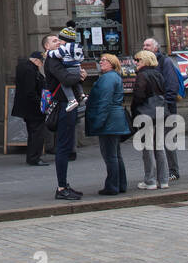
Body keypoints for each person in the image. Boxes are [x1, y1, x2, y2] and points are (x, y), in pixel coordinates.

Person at [43, 34, 83, 201]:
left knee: (65, 146)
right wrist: (80, 76)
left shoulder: (61, 58)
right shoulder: (52, 61)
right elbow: (65, 79)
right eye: (54, 41)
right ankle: (61, 187)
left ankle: (64, 185)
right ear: (46, 47)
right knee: (63, 146)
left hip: (66, 104)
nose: (58, 42)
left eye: (58, 40)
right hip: (63, 105)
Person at [84, 54, 129, 195]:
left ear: (113, 63)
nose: (101, 62)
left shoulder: (108, 78)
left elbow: (104, 102)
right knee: (116, 155)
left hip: (109, 120)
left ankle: (112, 186)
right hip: (114, 119)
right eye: (101, 60)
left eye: (105, 60)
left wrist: (98, 122)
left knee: (110, 156)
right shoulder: (113, 76)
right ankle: (120, 184)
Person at [142, 37, 182, 181]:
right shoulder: (146, 65)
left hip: (166, 110)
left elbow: (172, 86)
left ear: (156, 48)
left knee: (168, 140)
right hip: (152, 110)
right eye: (144, 45)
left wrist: (165, 106)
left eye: (148, 45)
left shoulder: (165, 62)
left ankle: (173, 171)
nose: (145, 47)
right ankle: (161, 172)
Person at [131, 49, 168, 190]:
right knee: (159, 146)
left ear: (145, 61)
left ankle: (150, 180)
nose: (136, 63)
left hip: (146, 113)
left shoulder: (142, 75)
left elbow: (139, 96)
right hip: (160, 112)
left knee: (148, 149)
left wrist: (134, 110)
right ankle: (163, 180)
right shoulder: (158, 74)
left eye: (138, 60)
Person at [12, 51, 50, 165]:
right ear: (37, 60)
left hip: (28, 108)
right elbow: (30, 92)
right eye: (41, 62)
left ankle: (33, 157)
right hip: (33, 109)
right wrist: (41, 103)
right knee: (37, 133)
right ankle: (34, 158)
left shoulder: (25, 68)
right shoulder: (30, 70)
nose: (42, 64)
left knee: (34, 132)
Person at [56, 25, 88, 112]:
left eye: (60, 40)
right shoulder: (77, 47)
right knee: (77, 82)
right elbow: (81, 58)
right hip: (77, 67)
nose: (58, 42)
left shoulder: (63, 48)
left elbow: (57, 54)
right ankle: (82, 94)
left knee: (65, 84)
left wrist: (49, 53)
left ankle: (71, 99)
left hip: (68, 69)